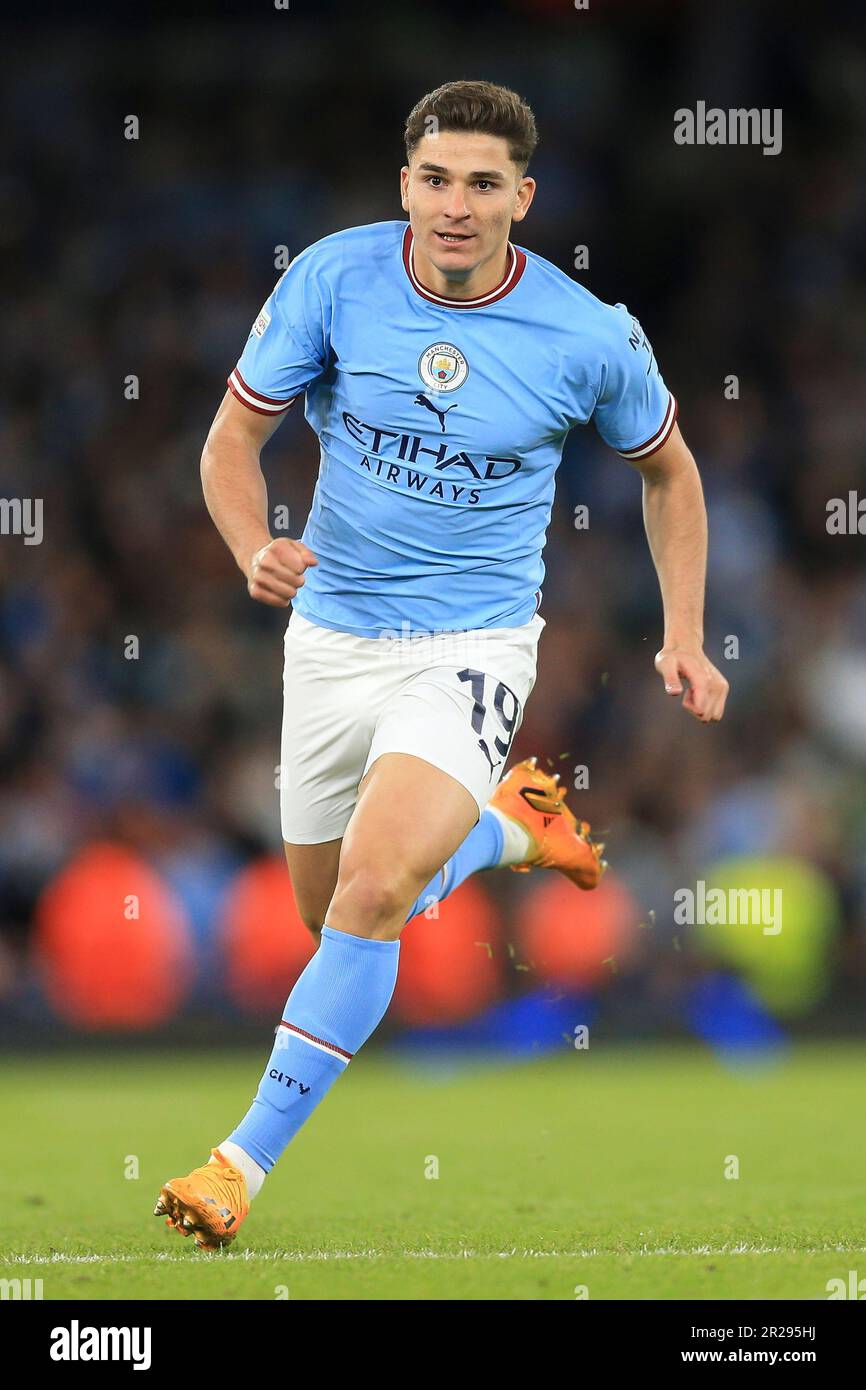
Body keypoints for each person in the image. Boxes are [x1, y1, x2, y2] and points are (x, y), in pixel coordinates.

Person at [155, 79, 728, 1250]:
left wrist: (680, 631)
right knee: (337, 916)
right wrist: (249, 542)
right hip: (330, 636)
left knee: (369, 897)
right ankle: (508, 824)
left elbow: (669, 473)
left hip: (469, 643)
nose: (454, 205)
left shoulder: (587, 334)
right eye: (433, 178)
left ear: (524, 196)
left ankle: (237, 1166)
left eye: (481, 183)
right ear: (402, 184)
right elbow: (230, 442)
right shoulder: (330, 279)